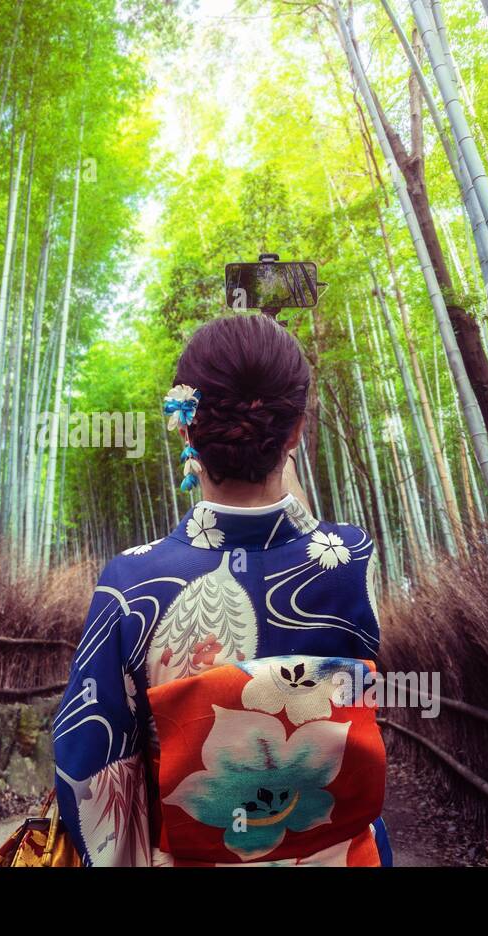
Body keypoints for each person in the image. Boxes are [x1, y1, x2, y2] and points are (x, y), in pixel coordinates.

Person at [52, 313, 391, 866]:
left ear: (185, 428)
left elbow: (89, 768)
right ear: (297, 431)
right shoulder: (352, 559)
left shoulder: (132, 583)